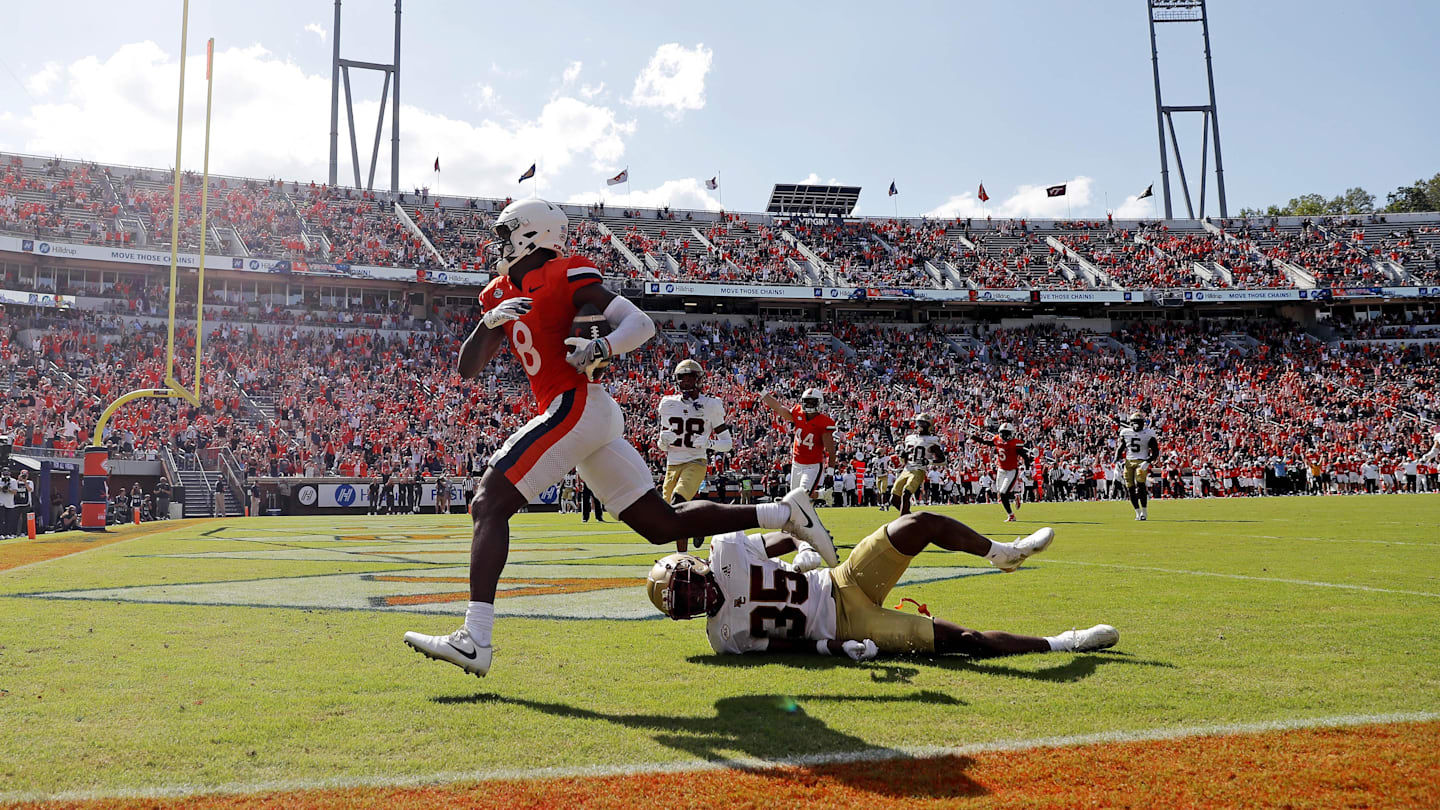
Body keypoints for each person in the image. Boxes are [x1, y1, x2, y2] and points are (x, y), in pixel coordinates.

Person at [404, 199, 833, 679]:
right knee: (661, 524)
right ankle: (786, 513)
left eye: (506, 234)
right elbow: (467, 368)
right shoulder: (497, 293)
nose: (498, 245)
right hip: (584, 413)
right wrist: (490, 322)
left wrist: (600, 346)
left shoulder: (566, 273)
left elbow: (640, 324)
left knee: (489, 502)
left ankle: (475, 637)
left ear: (530, 235)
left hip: (576, 402)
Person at [646, 512, 1117, 659]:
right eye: (685, 602)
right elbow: (784, 650)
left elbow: (782, 539)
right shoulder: (722, 636)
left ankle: (1003, 553)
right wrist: (835, 648)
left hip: (840, 578)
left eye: (687, 585)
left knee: (917, 524)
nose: (695, 596)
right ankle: (1066, 643)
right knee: (960, 641)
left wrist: (803, 538)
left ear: (693, 565)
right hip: (850, 623)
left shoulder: (727, 550)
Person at [657, 359, 732, 552]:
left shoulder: (710, 405)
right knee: (668, 514)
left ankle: (682, 558)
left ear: (698, 379)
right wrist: (662, 440)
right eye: (682, 378)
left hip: (696, 461)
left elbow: (728, 443)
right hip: (672, 464)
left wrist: (709, 443)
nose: (686, 382)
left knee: (678, 502)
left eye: (690, 377)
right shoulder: (668, 403)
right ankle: (699, 524)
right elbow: (662, 445)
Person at [760, 388, 836, 495]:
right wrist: (762, 392)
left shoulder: (823, 423)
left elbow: (831, 452)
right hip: (796, 463)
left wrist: (830, 473)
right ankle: (823, 495)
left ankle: (821, 496)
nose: (809, 405)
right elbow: (778, 407)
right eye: (807, 402)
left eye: (812, 402)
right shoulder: (798, 413)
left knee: (801, 495)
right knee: (795, 497)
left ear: (819, 403)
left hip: (812, 465)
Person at [973, 422, 1031, 523]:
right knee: (1000, 493)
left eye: (1006, 433)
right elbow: (984, 442)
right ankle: (1015, 496)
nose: (1005, 435)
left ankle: (1011, 515)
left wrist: (1027, 470)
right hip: (1001, 470)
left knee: (1003, 494)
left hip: (1011, 471)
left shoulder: (1015, 443)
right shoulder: (997, 439)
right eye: (1003, 433)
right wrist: (973, 437)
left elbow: (1025, 458)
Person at [890, 413, 945, 515]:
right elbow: (904, 461)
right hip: (906, 469)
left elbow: (943, 461)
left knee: (906, 493)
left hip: (919, 470)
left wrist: (929, 462)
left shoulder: (932, 440)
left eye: (922, 424)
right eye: (919, 423)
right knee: (893, 498)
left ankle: (904, 524)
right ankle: (910, 519)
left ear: (928, 426)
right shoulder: (909, 438)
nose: (919, 426)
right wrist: (902, 456)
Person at [1116, 412, 1160, 521]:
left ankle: (1144, 512)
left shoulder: (1148, 433)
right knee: (1130, 487)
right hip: (1129, 461)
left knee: (1140, 485)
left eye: (1139, 423)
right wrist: (1116, 459)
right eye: (1134, 423)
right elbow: (1121, 447)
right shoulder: (1126, 432)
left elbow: (1155, 451)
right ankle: (1137, 512)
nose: (1136, 425)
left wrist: (1148, 461)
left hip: (1142, 461)